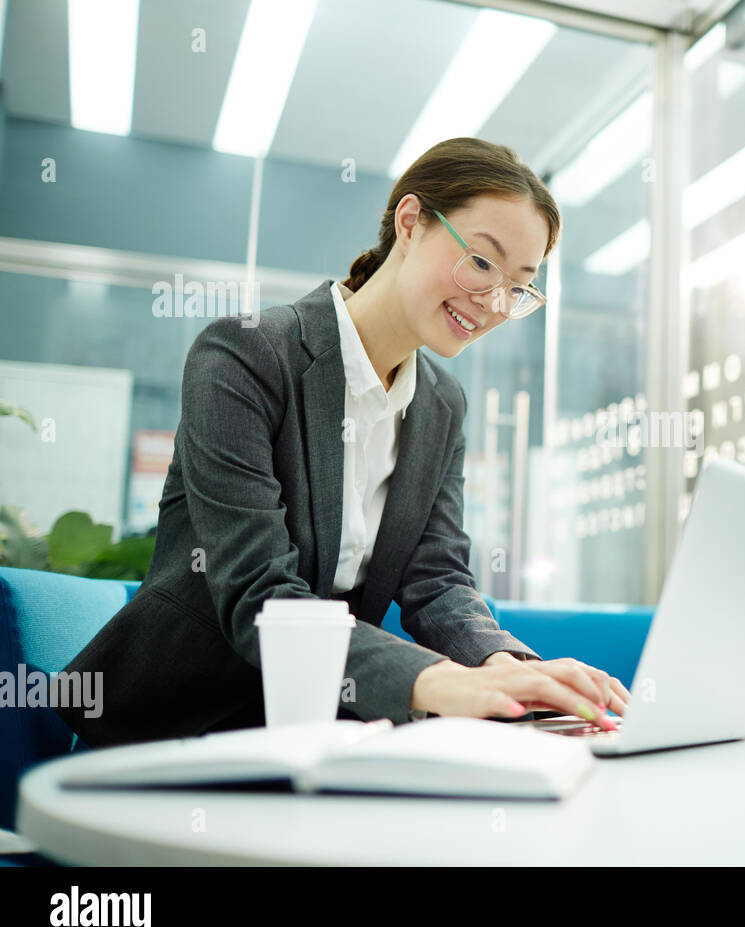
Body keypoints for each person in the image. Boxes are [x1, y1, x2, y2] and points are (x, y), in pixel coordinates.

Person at [54, 138, 628, 749]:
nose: (491, 303)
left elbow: (437, 580)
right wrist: (434, 679)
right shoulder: (245, 355)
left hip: (323, 729)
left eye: (518, 286)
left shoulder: (440, 404)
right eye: (482, 263)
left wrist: (507, 670)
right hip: (175, 728)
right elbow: (258, 596)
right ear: (410, 222)